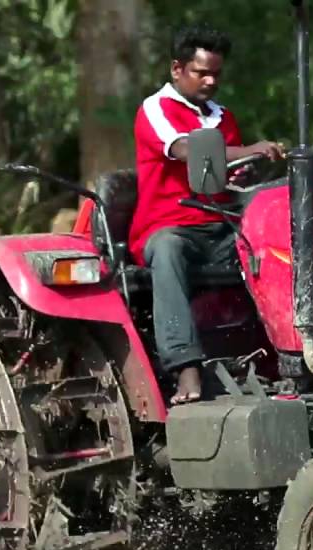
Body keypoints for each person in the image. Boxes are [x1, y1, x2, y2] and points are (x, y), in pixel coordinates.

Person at [129, 23, 285, 404]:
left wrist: (248, 167)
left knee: (276, 243)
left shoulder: (221, 116)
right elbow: (188, 151)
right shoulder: (156, 109)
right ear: (177, 69)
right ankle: (185, 368)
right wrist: (253, 148)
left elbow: (221, 173)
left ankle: (284, 354)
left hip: (217, 227)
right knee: (168, 251)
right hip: (170, 227)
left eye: (217, 73)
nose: (211, 81)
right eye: (202, 72)